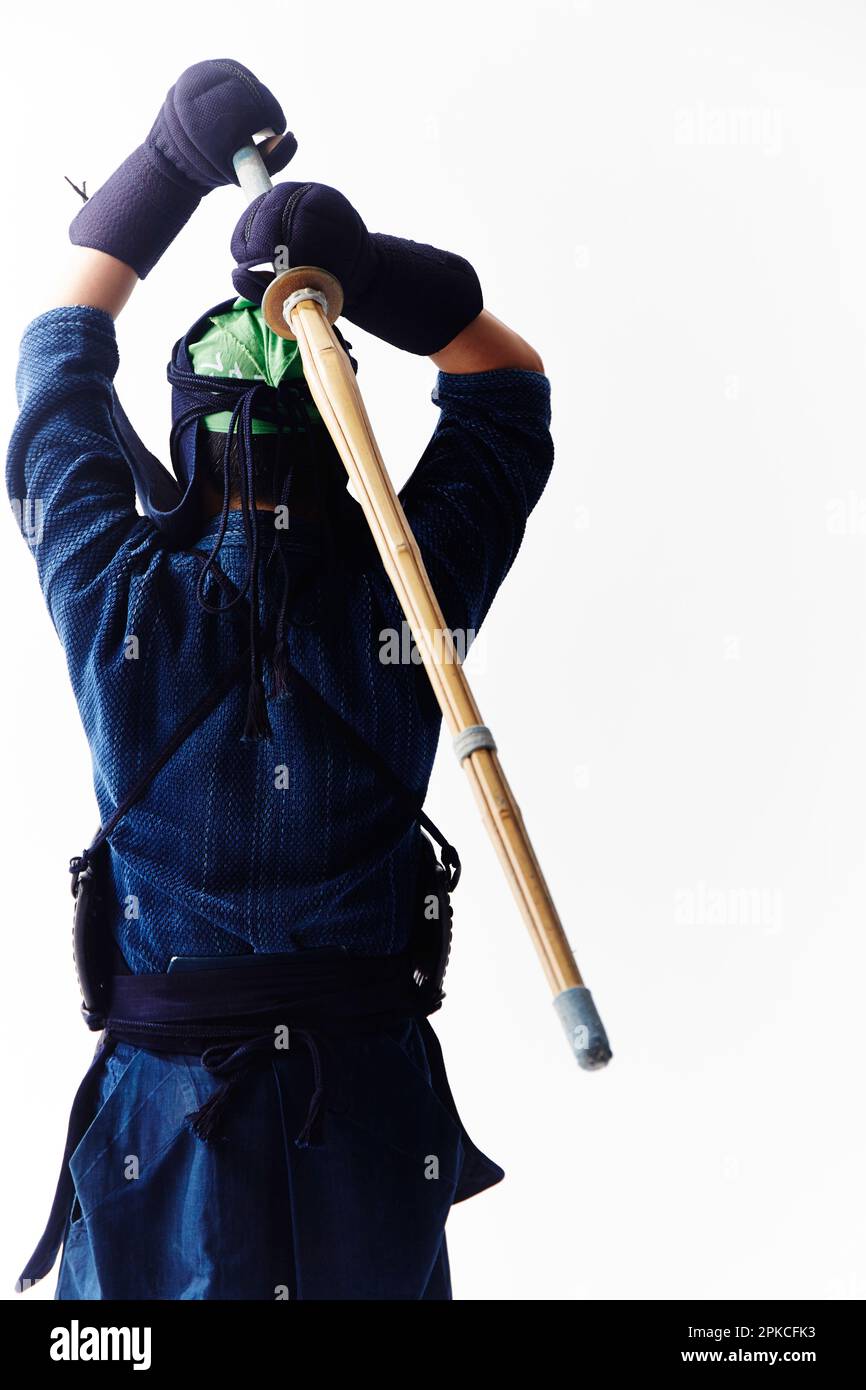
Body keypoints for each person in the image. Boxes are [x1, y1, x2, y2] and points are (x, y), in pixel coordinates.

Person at [8, 59, 554, 1300]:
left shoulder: (110, 591)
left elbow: (55, 362)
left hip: (159, 1133)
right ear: (340, 433)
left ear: (178, 441)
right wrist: (364, 271)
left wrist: (168, 165)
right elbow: (505, 391)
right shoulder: (411, 593)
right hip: (364, 1123)